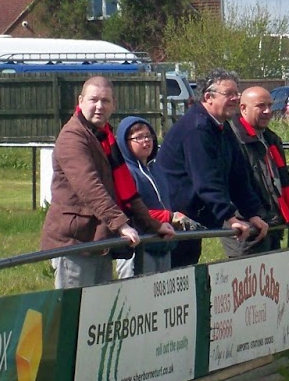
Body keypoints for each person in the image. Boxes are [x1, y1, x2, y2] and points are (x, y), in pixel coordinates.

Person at [39, 77, 172, 288]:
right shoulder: (73, 137)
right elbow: (89, 187)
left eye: (105, 101)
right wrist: (121, 224)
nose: (99, 106)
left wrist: (153, 224)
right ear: (80, 100)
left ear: (114, 105)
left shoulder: (106, 137)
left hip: (99, 240)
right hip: (75, 241)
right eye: (93, 100)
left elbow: (126, 187)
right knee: (74, 312)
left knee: (97, 314)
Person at [156, 69, 269, 265]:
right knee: (174, 279)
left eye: (237, 93)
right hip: (172, 224)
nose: (235, 99)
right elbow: (206, 180)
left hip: (193, 222)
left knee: (188, 275)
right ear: (208, 97)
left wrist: (253, 213)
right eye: (229, 94)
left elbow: (239, 176)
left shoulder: (222, 127)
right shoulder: (197, 129)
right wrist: (230, 218)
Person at [229, 86, 289, 256]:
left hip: (272, 222)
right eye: (261, 106)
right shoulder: (231, 140)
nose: (267, 111)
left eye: (270, 106)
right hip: (245, 226)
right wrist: (251, 217)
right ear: (243, 108)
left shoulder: (271, 139)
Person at [114, 115, 187, 277]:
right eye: (138, 137)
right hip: (139, 249)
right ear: (125, 143)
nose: (146, 141)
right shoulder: (126, 172)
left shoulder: (156, 169)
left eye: (148, 136)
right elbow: (131, 210)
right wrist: (168, 216)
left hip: (163, 245)